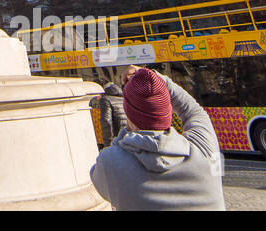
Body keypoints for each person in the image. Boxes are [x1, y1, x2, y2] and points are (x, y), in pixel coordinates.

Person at [90, 66, 225, 210]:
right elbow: (193, 110)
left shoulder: (110, 162)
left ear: (129, 115)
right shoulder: (204, 145)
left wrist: (126, 132)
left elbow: (98, 179)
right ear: (169, 110)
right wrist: (157, 79)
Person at [99, 81, 126, 146]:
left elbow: (106, 122)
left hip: (117, 139)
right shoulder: (124, 98)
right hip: (129, 137)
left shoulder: (105, 100)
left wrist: (108, 144)